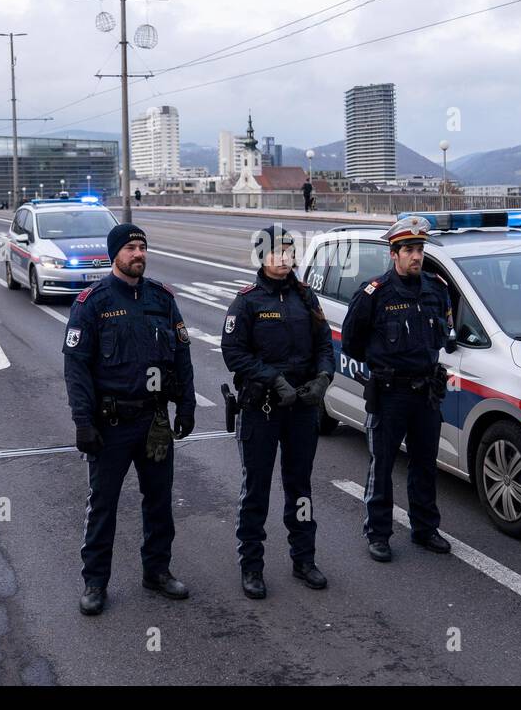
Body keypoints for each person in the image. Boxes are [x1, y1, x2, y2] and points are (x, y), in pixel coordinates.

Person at [63, 222, 196, 616]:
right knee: (103, 505)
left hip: (154, 421)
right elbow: (76, 367)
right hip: (111, 425)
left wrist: (186, 406)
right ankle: (95, 582)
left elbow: (183, 356)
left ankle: (156, 571)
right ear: (114, 255)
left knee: (159, 502)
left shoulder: (161, 299)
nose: (138, 254)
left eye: (142, 247)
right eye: (130, 248)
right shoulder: (93, 302)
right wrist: (83, 422)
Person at [221, 224, 335, 599]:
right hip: (262, 408)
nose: (282, 258)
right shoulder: (247, 301)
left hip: (302, 407)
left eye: (287, 251)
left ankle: (304, 559)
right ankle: (251, 565)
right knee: (256, 489)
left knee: (300, 487)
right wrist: (271, 379)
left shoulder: (306, 299)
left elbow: (324, 345)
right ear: (262, 256)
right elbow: (234, 354)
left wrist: (322, 378)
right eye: (275, 252)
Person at [341, 215, 457, 562]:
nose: (415, 256)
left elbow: (446, 331)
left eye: (419, 249)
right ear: (394, 254)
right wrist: (384, 364)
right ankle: (378, 533)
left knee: (424, 464)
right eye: (408, 249)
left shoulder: (437, 288)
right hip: (390, 393)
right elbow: (351, 342)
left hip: (426, 393)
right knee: (383, 465)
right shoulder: (374, 293)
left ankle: (424, 528)